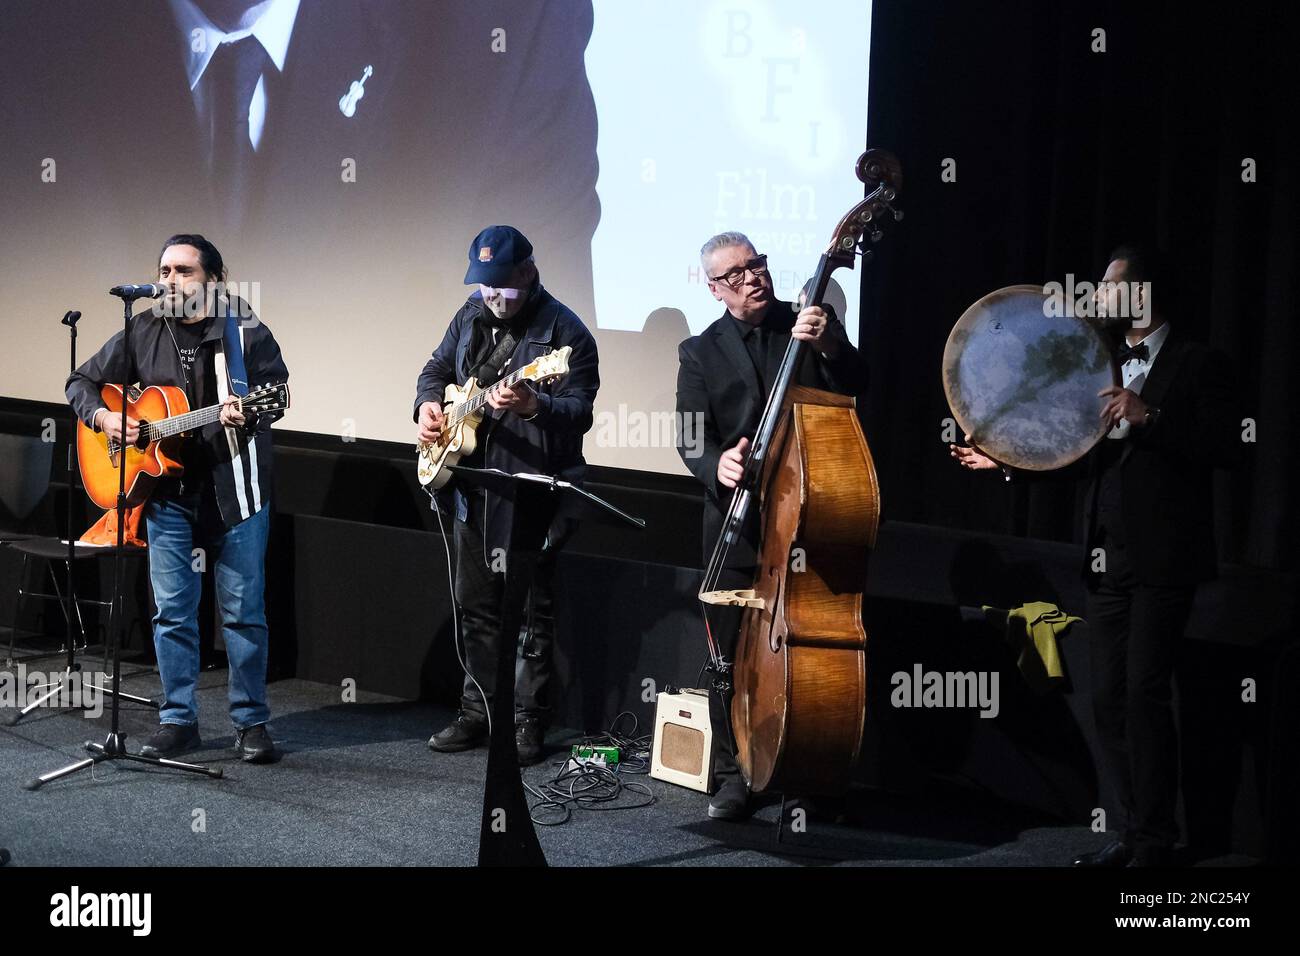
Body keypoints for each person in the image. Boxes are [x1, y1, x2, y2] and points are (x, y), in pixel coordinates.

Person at [951, 244, 1243, 866]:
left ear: (1141, 293)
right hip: (1107, 558)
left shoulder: (1197, 363)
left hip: (1165, 560)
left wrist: (1152, 415)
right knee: (1108, 698)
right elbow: (1074, 454)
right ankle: (1133, 829)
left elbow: (1229, 446)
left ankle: (1156, 841)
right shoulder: (1100, 363)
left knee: (1144, 696)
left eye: (1108, 285)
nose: (1095, 293)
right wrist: (1004, 462)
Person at [66, 233, 289, 763]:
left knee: (242, 613)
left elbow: (277, 394)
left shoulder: (246, 329)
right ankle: (178, 720)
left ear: (214, 279)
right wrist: (105, 417)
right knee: (172, 613)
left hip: (233, 493)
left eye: (183, 271)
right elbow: (82, 382)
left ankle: (251, 723)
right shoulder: (141, 327)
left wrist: (249, 412)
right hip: (165, 496)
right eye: (164, 270)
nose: (170, 280)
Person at [675, 231, 870, 819]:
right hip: (737, 523)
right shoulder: (698, 351)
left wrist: (833, 343)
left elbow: (859, 385)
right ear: (714, 290)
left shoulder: (808, 322)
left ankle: (799, 767)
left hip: (805, 515)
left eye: (754, 266)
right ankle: (735, 773)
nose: (751, 278)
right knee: (728, 654)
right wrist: (719, 464)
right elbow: (689, 437)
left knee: (801, 649)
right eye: (734, 276)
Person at [414, 226, 599, 766]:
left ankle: (525, 724)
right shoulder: (469, 314)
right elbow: (435, 370)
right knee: (475, 608)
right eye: (483, 284)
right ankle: (479, 711)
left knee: (532, 614)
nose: (492, 295)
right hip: (469, 487)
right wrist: (427, 407)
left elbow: (579, 414)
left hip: (531, 492)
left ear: (527, 272)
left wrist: (532, 406)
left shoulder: (566, 334)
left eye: (502, 285)